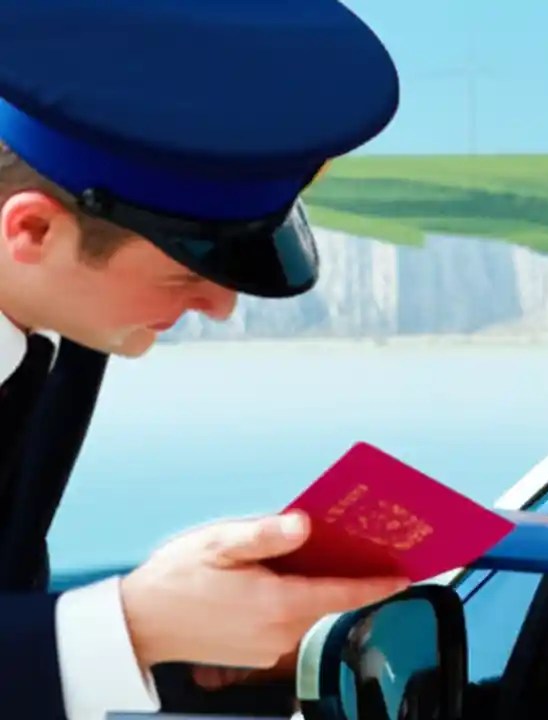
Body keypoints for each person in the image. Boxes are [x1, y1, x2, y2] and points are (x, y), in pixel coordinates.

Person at [0, 2, 411, 718]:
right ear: (32, 231)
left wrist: (191, 644)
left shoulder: (68, 321)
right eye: (182, 274)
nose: (220, 308)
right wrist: (129, 626)